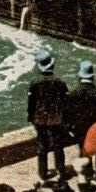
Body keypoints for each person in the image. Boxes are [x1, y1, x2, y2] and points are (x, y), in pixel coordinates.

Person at [26, 49, 70, 181]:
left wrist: (30, 117)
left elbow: (31, 103)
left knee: (42, 146)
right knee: (58, 145)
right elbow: (66, 103)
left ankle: (43, 173)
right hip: (56, 119)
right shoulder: (60, 82)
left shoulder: (35, 83)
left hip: (40, 119)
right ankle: (61, 171)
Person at [66, 60, 96, 179]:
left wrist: (71, 129)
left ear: (80, 77)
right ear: (92, 77)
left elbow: (68, 115)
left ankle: (88, 175)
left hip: (81, 131)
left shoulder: (73, 94)